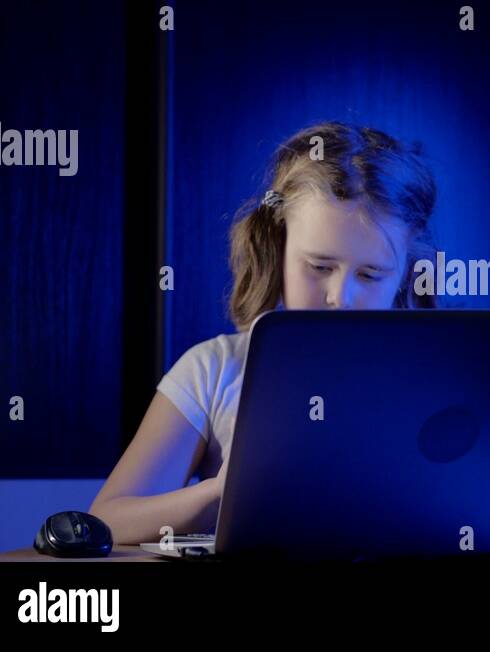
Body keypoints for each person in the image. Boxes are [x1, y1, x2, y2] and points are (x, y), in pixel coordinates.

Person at [90, 122, 438, 544]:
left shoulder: (431, 379)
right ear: (277, 246)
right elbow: (107, 521)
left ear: (404, 277)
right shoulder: (214, 369)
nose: (339, 297)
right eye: (319, 267)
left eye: (370, 274)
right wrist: (222, 492)